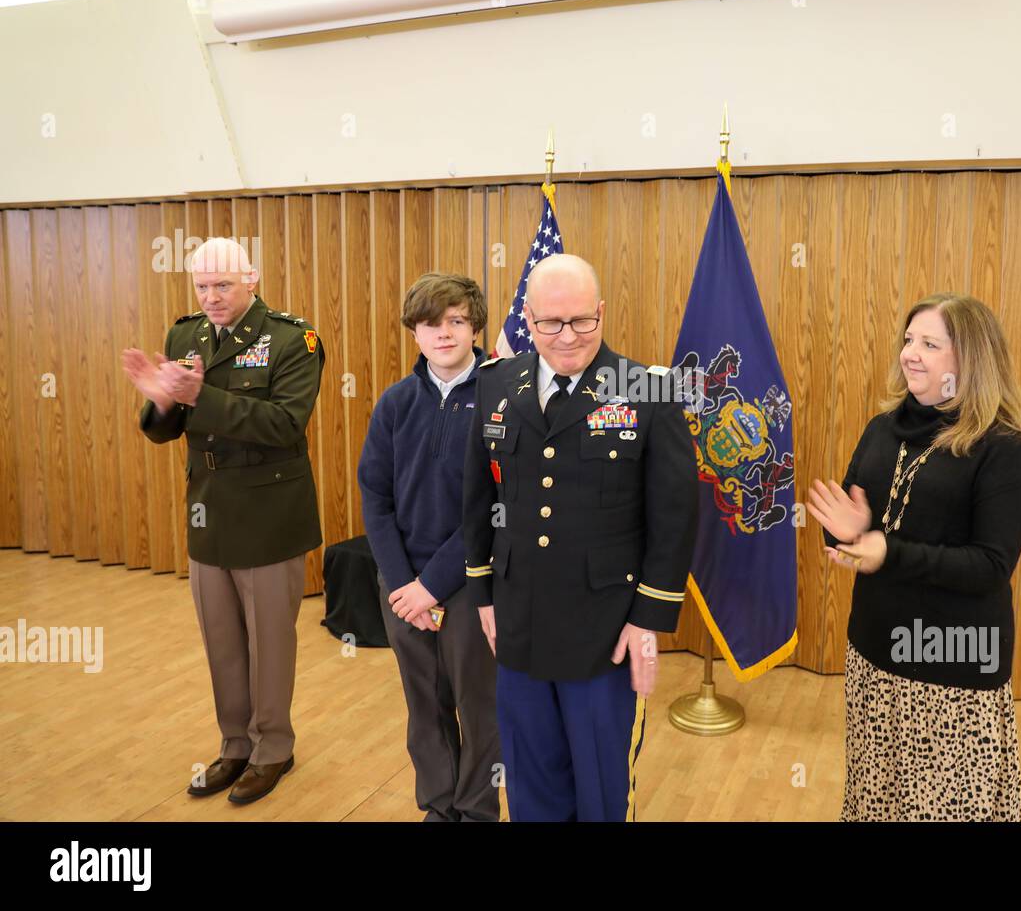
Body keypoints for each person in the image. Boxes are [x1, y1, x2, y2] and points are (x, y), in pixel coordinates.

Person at [461, 253, 698, 822]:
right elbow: (478, 499)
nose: (567, 337)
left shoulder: (647, 390)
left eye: (582, 321)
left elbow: (676, 516)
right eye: (550, 323)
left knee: (601, 786)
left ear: (602, 312)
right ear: (527, 318)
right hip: (519, 621)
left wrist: (649, 620)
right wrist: (483, 593)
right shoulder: (496, 384)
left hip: (607, 629)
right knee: (530, 777)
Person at [809, 292, 1021, 822]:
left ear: (970, 361)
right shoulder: (881, 428)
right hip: (874, 654)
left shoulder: (1001, 449)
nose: (910, 353)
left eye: (930, 344)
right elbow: (855, 526)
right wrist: (847, 534)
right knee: (874, 804)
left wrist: (887, 550)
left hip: (952, 667)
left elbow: (989, 567)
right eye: (909, 340)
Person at [121, 237, 325, 805]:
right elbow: (165, 430)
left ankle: (273, 750)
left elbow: (285, 424)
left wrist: (197, 395)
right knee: (223, 642)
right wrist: (162, 402)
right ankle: (235, 745)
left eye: (223, 285)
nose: (210, 297)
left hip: (269, 513)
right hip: (209, 511)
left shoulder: (292, 338)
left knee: (269, 643)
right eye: (202, 286)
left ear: (252, 278)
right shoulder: (184, 335)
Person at [357, 272, 501, 822]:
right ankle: (439, 806)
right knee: (425, 704)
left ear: (474, 327)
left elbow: (496, 503)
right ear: (414, 333)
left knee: (477, 704)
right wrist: (401, 583)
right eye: (429, 324)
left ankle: (477, 810)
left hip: (471, 581)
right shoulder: (396, 403)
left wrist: (432, 585)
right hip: (402, 585)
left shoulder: (502, 396)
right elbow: (375, 493)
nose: (443, 334)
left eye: (456, 321)